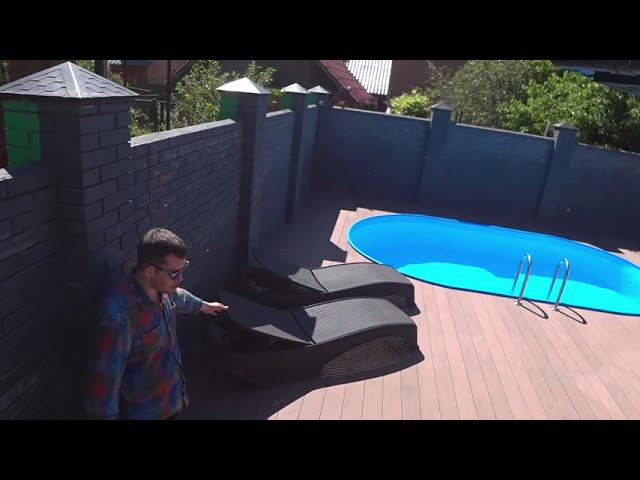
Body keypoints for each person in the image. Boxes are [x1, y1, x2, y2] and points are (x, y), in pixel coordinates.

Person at [84, 228, 228, 420]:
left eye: (183, 269)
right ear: (150, 271)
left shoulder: (163, 289)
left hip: (170, 403)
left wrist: (203, 306)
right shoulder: (118, 316)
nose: (181, 279)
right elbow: (105, 385)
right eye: (175, 273)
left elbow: (179, 296)